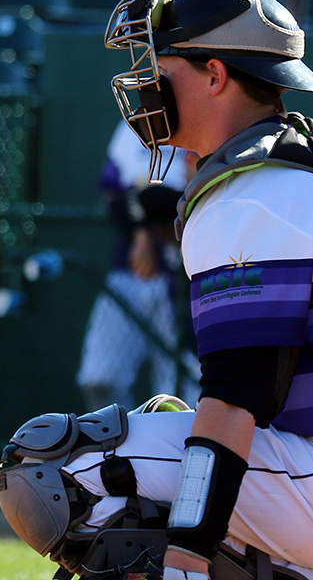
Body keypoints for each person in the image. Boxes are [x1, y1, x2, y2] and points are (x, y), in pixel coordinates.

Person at [0, 0, 313, 580]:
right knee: (168, 430)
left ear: (215, 75)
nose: (145, 81)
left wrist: (187, 554)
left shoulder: (253, 192)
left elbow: (235, 399)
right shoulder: (293, 168)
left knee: (50, 468)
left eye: (161, 64)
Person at [76, 122, 196, 413]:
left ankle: (168, 443)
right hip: (130, 273)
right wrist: (140, 231)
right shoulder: (134, 128)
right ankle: (118, 439)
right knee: (98, 378)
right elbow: (114, 193)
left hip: (187, 282)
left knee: (179, 394)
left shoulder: (202, 119)